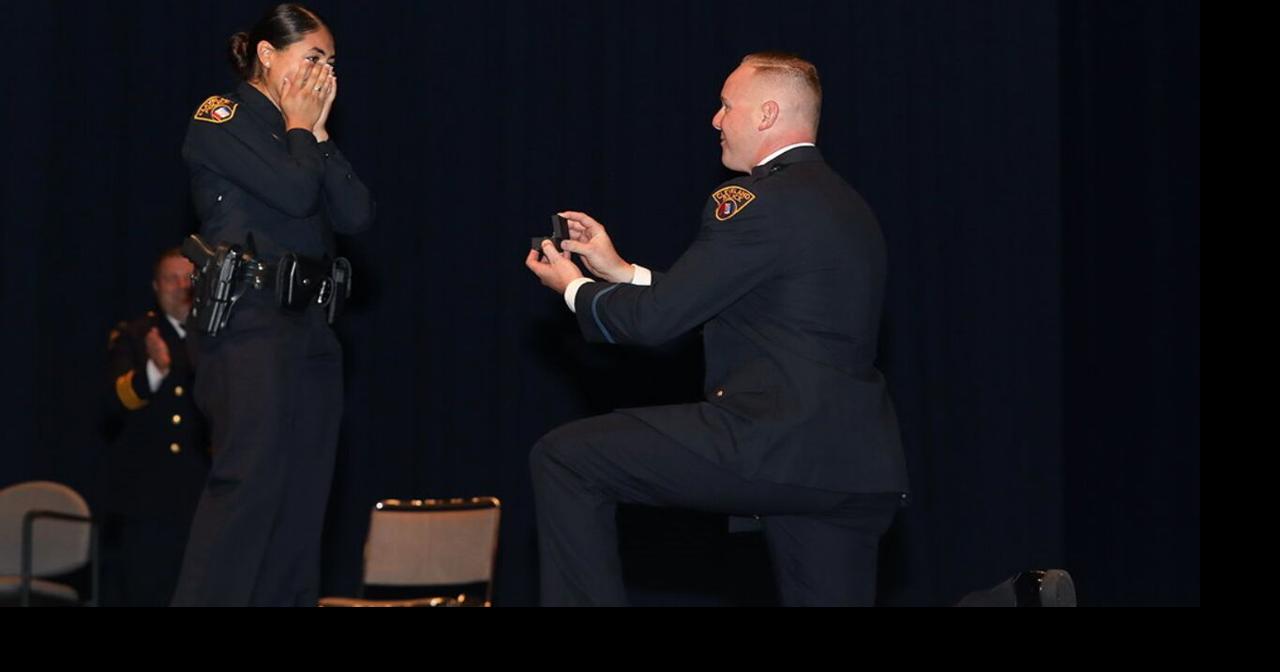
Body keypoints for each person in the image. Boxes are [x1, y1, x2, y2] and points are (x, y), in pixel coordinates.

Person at [525, 52, 909, 606]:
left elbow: (656, 322)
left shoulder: (755, 201)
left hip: (773, 443)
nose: (715, 120)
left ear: (767, 114)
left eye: (727, 106)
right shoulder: (847, 204)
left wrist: (572, 287)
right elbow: (730, 303)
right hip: (852, 468)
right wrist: (620, 270)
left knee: (565, 458)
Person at [172, 2, 373, 606]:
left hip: (311, 324)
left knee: (304, 495)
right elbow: (293, 191)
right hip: (250, 321)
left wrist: (318, 134)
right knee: (249, 487)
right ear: (267, 53)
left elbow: (356, 216)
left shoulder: (305, 133)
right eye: (313, 57)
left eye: (331, 62)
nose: (324, 73)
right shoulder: (222, 116)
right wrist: (300, 128)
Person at [100, 249, 209, 607]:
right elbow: (114, 403)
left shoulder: (215, 339)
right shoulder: (136, 335)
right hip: (148, 501)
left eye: (188, 278)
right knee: (149, 592)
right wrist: (155, 371)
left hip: (202, 497)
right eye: (170, 279)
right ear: (155, 287)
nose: (180, 286)